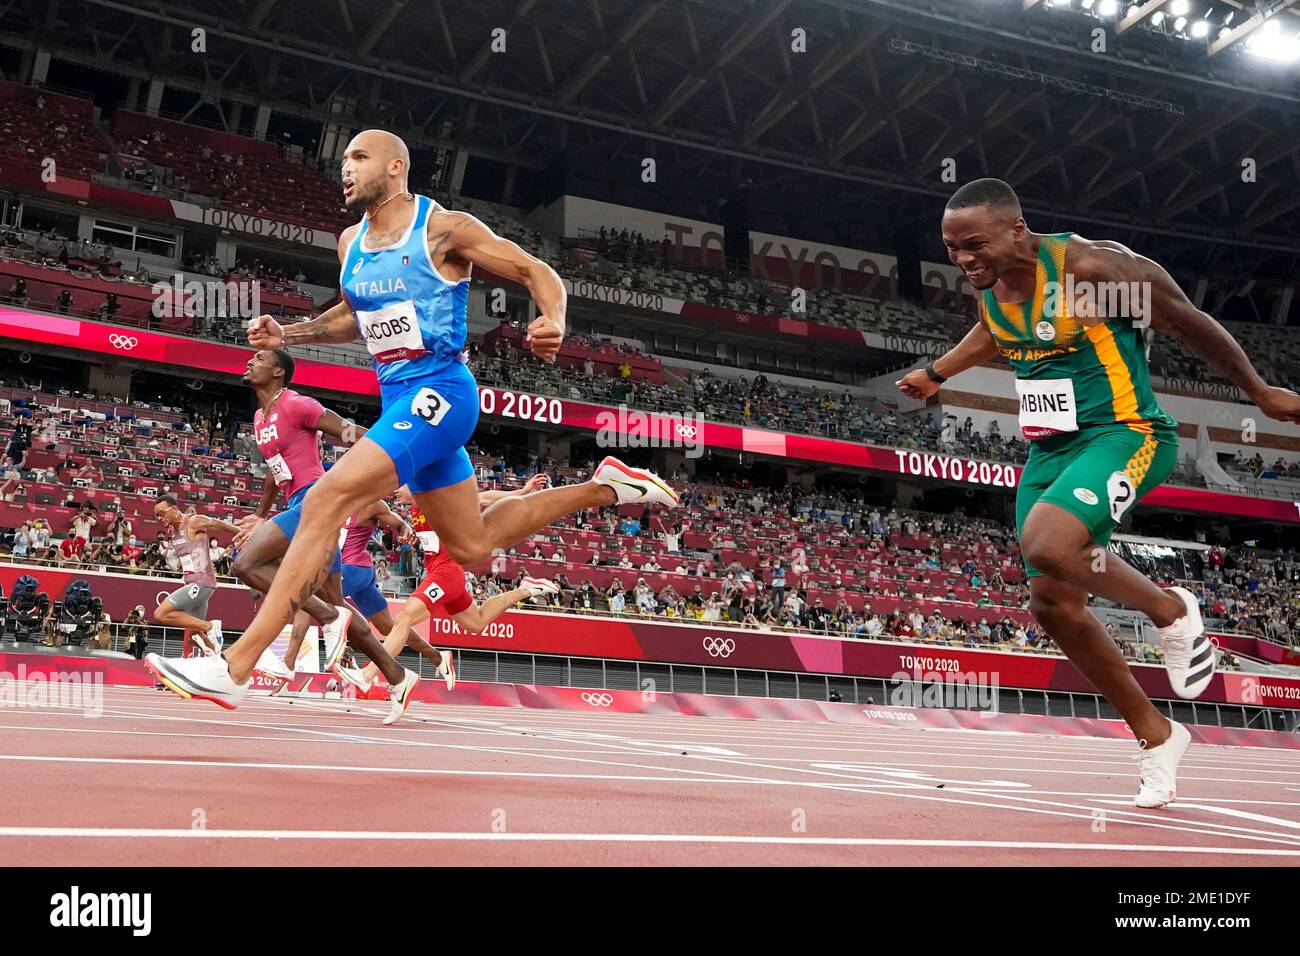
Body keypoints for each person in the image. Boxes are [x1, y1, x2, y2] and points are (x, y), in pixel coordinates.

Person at [148, 128, 678, 708]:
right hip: (400, 400)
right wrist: (290, 332)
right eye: (343, 158)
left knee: (326, 499)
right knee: (473, 545)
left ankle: (238, 666)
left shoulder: (442, 229)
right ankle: (608, 488)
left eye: (358, 157)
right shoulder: (351, 241)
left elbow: (534, 270)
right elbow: (353, 316)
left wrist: (553, 318)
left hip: (442, 391)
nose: (344, 168)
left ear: (396, 167)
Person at [897, 177, 1300, 809]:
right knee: (1051, 603)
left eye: (974, 244)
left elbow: (1189, 322)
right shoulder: (994, 288)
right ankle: (1157, 736)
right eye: (952, 249)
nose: (964, 259)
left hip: (1126, 433)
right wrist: (936, 371)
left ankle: (1171, 610)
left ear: (1016, 229)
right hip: (1051, 448)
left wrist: (1260, 393)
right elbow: (999, 333)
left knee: (1050, 545)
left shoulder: (1090, 269)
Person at [354, 486, 560, 724]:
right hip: (442, 573)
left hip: (446, 573)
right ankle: (526, 588)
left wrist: (523, 491)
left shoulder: (434, 497)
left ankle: (369, 674)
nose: (395, 491)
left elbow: (483, 498)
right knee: (477, 621)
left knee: (404, 618)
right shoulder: (414, 507)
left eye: (401, 485)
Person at [150, 494, 234, 658]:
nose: (159, 518)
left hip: (201, 583)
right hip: (191, 583)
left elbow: (221, 524)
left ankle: (211, 626)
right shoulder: (174, 531)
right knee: (194, 635)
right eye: (156, 515)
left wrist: (244, 534)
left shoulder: (193, 521)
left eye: (161, 513)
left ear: (174, 509)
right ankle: (217, 662)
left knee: (160, 614)